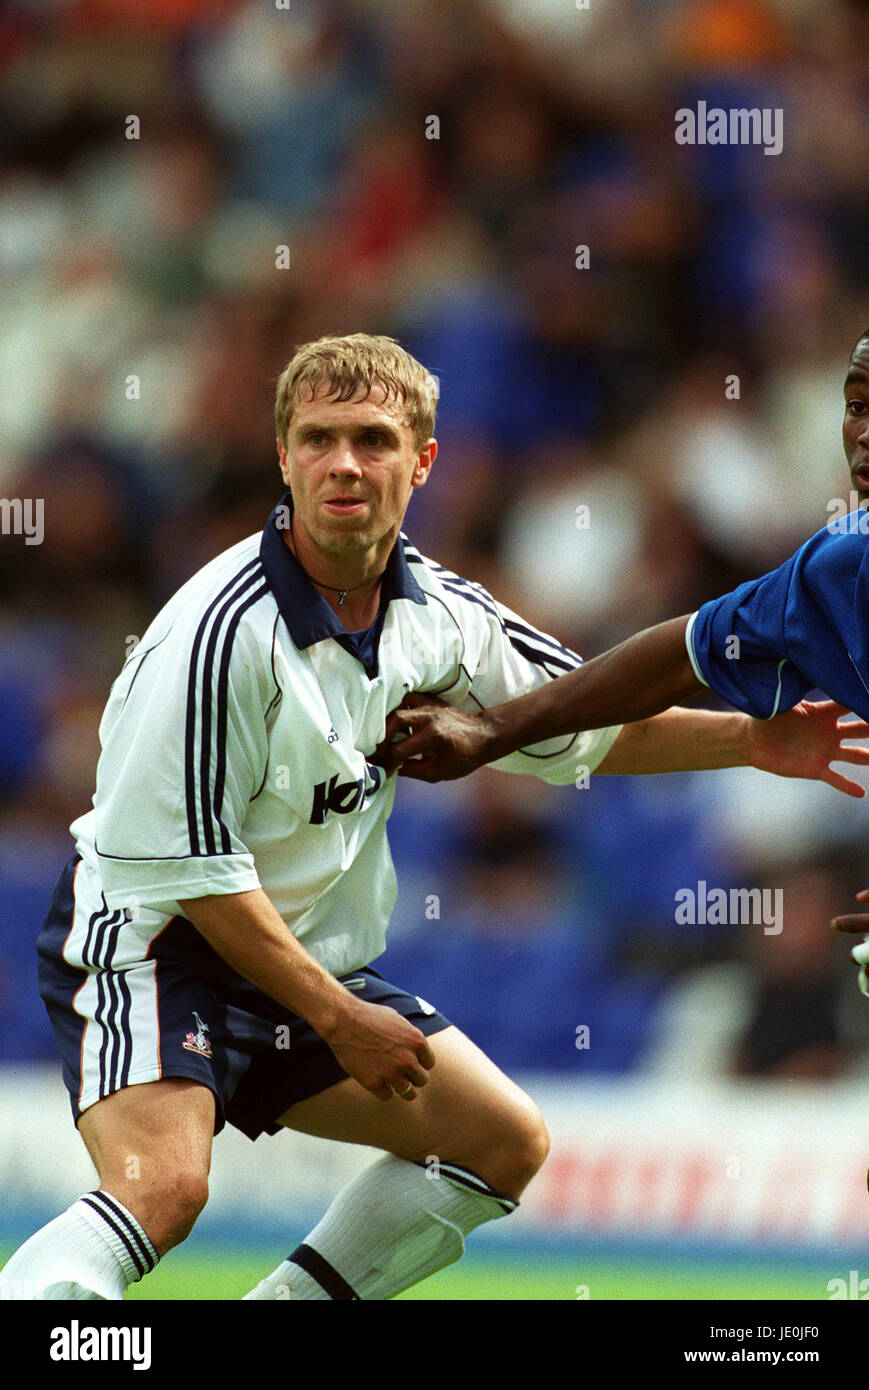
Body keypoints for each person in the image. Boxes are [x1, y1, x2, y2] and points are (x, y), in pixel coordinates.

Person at [2, 334, 867, 1304]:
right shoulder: (216, 635)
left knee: (500, 1141)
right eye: (317, 438)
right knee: (162, 1187)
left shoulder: (443, 616)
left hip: (300, 962)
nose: (343, 464)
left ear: (421, 461)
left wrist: (747, 742)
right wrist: (339, 1016)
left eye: (372, 439)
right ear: (281, 456)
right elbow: (193, 874)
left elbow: (567, 722)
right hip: (155, 945)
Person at [379, 329, 869, 976]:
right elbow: (680, 653)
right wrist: (489, 730)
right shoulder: (840, 566)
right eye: (857, 404)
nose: (861, 432)